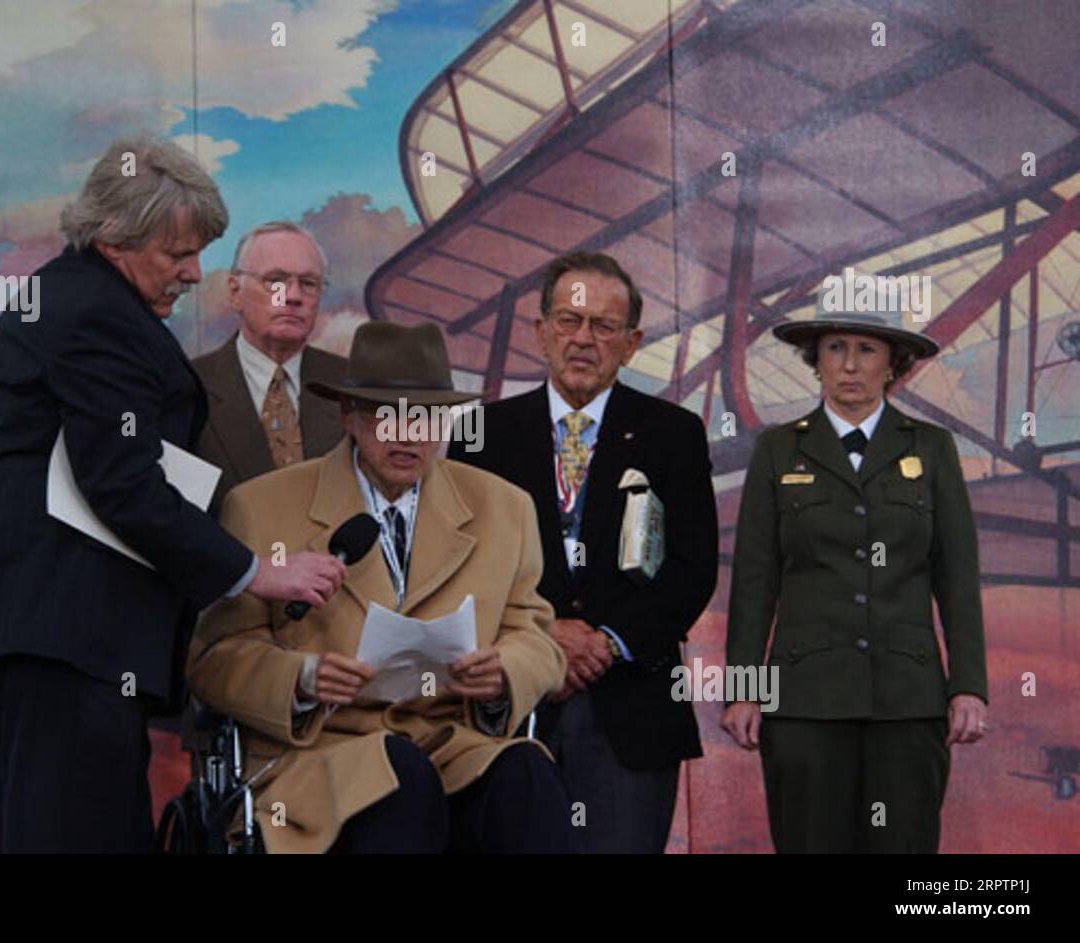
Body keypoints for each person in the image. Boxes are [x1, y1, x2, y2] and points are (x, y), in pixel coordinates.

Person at [0, 135, 344, 853]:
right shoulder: (96, 313)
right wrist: (257, 570)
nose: (193, 272)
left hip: (60, 638)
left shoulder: (71, 297)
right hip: (68, 636)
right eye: (177, 252)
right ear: (114, 236)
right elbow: (121, 480)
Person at [186, 321, 579, 853]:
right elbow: (212, 658)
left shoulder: (504, 508)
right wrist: (301, 677)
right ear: (349, 416)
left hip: (452, 746)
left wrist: (504, 671)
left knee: (526, 772)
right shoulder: (261, 506)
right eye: (387, 415)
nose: (407, 434)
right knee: (399, 779)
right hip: (320, 757)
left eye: (424, 416)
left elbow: (535, 634)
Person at [449, 250, 718, 852]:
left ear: (631, 343)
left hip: (631, 710)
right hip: (505, 711)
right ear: (541, 331)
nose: (583, 339)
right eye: (569, 322)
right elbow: (458, 569)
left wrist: (603, 642)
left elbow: (692, 569)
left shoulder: (673, 434)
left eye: (603, 326)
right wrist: (546, 638)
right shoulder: (479, 437)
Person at [721, 280, 989, 853]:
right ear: (815, 359)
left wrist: (968, 686)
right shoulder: (776, 449)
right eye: (835, 347)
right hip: (804, 703)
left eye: (866, 349)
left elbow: (958, 579)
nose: (850, 365)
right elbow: (753, 582)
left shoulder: (933, 448)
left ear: (893, 362)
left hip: (908, 703)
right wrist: (743, 689)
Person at [191, 221, 347, 507]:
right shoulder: (188, 386)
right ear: (235, 291)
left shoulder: (351, 385)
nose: (293, 296)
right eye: (276, 281)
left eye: (308, 284)